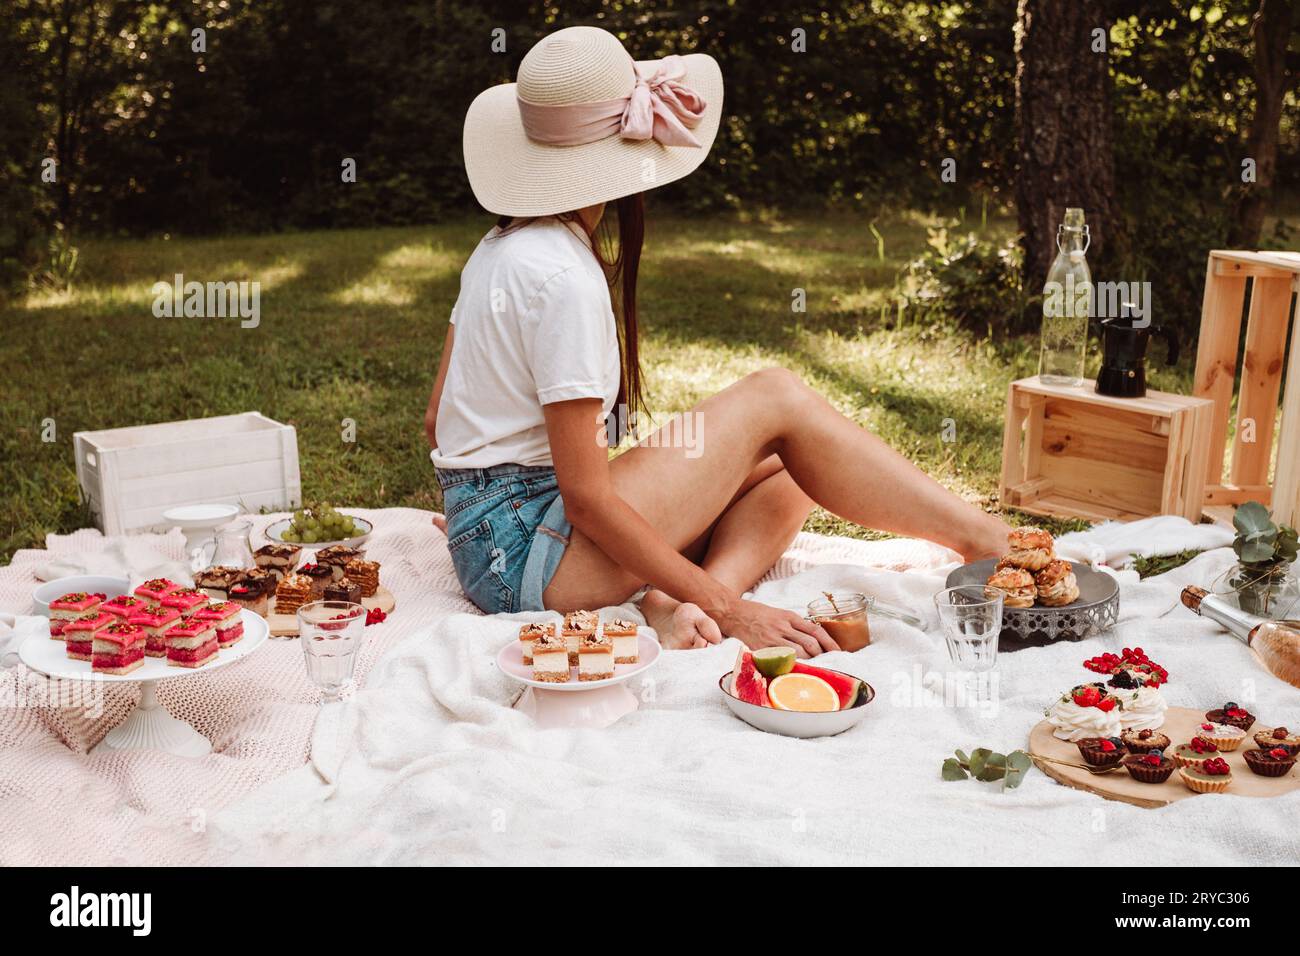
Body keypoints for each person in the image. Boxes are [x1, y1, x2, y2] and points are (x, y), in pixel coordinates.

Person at [426, 27, 1010, 656]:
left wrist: (477, 513)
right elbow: (587, 501)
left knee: (792, 466)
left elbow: (439, 423)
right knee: (776, 398)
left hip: (499, 543)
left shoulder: (497, 249)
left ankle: (671, 602)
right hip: (537, 565)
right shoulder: (564, 276)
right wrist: (734, 610)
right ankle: (987, 542)